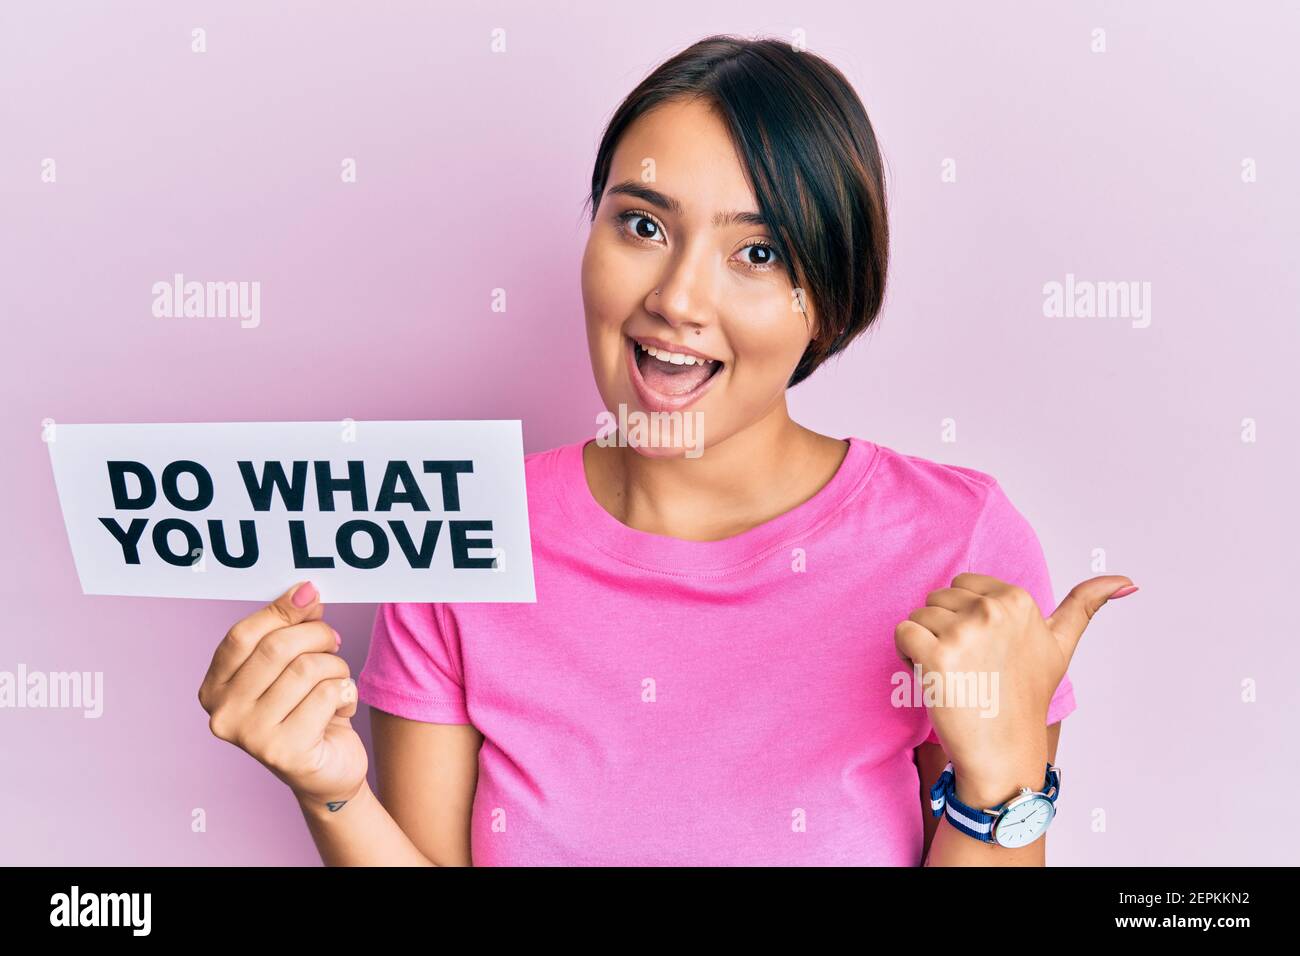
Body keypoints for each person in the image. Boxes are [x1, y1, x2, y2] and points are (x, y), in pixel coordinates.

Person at [197, 34, 1136, 866]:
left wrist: (1002, 781)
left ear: (833, 300)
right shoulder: (462, 536)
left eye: (757, 253)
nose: (678, 299)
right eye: (642, 224)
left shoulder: (954, 544)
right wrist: (331, 789)